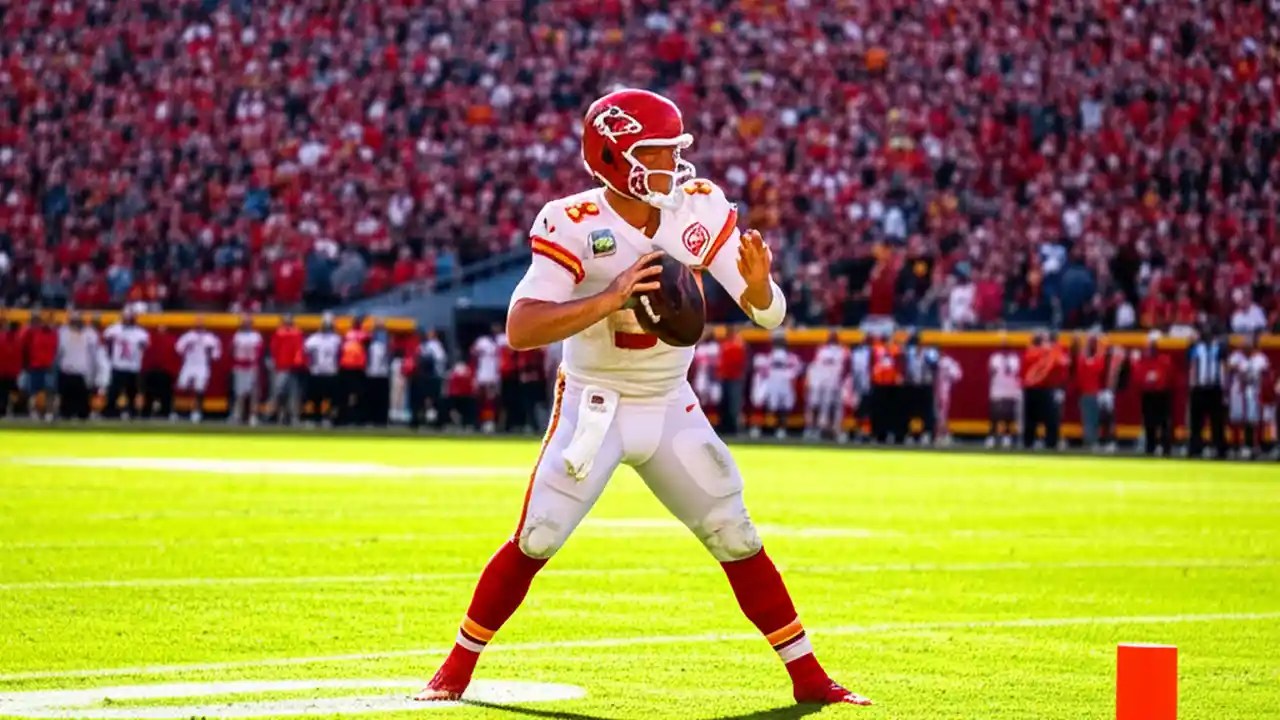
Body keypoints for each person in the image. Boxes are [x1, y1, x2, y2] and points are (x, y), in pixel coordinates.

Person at [416, 89, 871, 707]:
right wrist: (612, 297)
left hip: (668, 400)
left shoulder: (699, 208)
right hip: (594, 403)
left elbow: (769, 315)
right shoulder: (571, 222)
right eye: (656, 154)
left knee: (734, 532)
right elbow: (521, 329)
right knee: (539, 534)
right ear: (612, 158)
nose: (672, 167)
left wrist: (761, 288)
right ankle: (455, 672)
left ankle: (809, 676)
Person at [1187, 329, 1227, 459]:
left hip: (1214, 388)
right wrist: (1192, 385)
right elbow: (1191, 365)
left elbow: (1223, 366)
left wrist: (1223, 386)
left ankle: (1219, 449)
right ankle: (1195, 448)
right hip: (1199, 387)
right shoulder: (1196, 348)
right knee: (1196, 421)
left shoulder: (1219, 348)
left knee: (1217, 421)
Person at [101, 309, 150, 419]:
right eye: (126, 317)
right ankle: (110, 411)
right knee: (113, 391)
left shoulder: (140, 333)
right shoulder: (114, 329)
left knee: (131, 391)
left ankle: (132, 412)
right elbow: (106, 340)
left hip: (132, 366)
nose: (128, 320)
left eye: (130, 317)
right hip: (118, 364)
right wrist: (110, 354)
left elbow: (144, 346)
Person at [1131, 332, 1173, 456]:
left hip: (1161, 394)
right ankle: (1150, 447)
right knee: (1149, 423)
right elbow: (1137, 378)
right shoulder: (1142, 361)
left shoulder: (1164, 359)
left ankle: (1166, 448)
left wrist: (1157, 380)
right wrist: (1147, 381)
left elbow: (1169, 377)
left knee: (1164, 423)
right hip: (1148, 394)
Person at [175, 317, 222, 423]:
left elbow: (216, 355)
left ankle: (197, 412)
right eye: (197, 324)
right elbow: (178, 348)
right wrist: (187, 347)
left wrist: (210, 351)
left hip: (202, 365)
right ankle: (180, 411)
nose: (199, 326)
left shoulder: (210, 338)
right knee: (182, 387)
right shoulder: (188, 336)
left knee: (199, 389)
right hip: (189, 363)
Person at [804, 330, 847, 441]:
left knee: (834, 407)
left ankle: (834, 430)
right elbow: (815, 366)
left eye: (834, 337)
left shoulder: (842, 351)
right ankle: (813, 429)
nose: (832, 339)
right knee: (815, 405)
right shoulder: (822, 350)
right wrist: (812, 382)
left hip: (836, 382)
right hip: (820, 382)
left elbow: (846, 368)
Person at [56, 311, 100, 420]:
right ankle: (65, 416)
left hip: (82, 371)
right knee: (66, 402)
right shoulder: (63, 333)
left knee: (83, 402)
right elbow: (58, 353)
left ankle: (82, 418)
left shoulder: (90, 334)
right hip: (66, 370)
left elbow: (94, 355)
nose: (75, 323)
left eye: (77, 321)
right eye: (73, 321)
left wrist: (94, 372)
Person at [303, 315, 342, 426]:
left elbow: (340, 353)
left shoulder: (336, 339)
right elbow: (306, 351)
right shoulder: (314, 339)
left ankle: (327, 417)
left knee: (329, 397)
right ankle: (314, 417)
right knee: (315, 397)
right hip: (317, 371)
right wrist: (310, 364)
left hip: (330, 371)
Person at [901, 331, 938, 444]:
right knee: (911, 411)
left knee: (926, 412)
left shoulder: (928, 353)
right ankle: (912, 433)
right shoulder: (910, 354)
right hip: (913, 386)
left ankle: (927, 433)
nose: (914, 346)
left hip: (925, 385)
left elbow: (934, 364)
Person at [268, 315, 305, 425]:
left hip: (290, 368)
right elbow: (273, 348)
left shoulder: (296, 333)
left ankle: (291, 416)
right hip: (282, 367)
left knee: (291, 393)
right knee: (281, 393)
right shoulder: (280, 333)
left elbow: (299, 349)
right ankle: (282, 415)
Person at [21, 313, 59, 420]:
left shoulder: (53, 334)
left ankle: (49, 413)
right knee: (33, 392)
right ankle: (33, 413)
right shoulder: (33, 333)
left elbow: (56, 350)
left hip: (49, 367)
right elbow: (26, 348)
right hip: (35, 366)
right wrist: (26, 364)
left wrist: (53, 363)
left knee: (50, 391)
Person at [763, 334, 801, 439]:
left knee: (784, 406)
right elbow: (765, 368)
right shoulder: (771, 355)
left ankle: (781, 428)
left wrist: (789, 375)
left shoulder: (790, 356)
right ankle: (771, 427)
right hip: (773, 381)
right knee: (771, 405)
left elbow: (797, 367)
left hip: (785, 382)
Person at [986, 335, 1021, 448]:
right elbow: (991, 371)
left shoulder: (1014, 359)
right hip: (997, 389)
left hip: (1010, 390)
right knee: (995, 414)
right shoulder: (995, 358)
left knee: (1009, 415)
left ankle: (1007, 436)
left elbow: (1016, 372)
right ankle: (992, 436)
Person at [409, 328, 448, 429]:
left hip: (431, 376)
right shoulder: (429, 345)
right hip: (430, 375)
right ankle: (421, 420)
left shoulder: (434, 345)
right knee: (425, 400)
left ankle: (434, 422)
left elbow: (434, 360)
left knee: (430, 400)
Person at [229, 314, 264, 426]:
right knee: (239, 393)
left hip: (252, 366)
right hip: (240, 366)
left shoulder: (256, 336)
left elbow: (260, 351)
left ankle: (253, 416)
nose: (246, 324)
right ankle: (237, 415)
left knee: (253, 393)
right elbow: (232, 350)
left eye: (248, 322)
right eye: (244, 322)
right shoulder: (237, 336)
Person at [141, 325, 178, 420]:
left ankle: (165, 413)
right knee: (149, 394)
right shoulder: (149, 338)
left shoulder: (172, 339)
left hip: (165, 371)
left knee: (165, 395)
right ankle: (147, 413)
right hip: (152, 370)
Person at [717, 326, 747, 435]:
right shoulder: (725, 344)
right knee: (725, 404)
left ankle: (734, 428)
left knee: (734, 405)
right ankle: (725, 427)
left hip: (735, 378)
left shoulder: (738, 344)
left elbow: (742, 362)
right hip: (726, 378)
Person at [471, 325, 502, 433]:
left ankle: (490, 422)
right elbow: (473, 352)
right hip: (483, 375)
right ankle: (482, 422)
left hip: (494, 375)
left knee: (491, 401)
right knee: (481, 401)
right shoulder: (482, 341)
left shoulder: (502, 340)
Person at [365, 319, 393, 426]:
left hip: (382, 373)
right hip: (373, 373)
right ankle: (372, 418)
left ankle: (381, 420)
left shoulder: (386, 342)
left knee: (382, 399)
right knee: (372, 398)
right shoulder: (371, 342)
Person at [0, 319, 23, 418]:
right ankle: (6, 411)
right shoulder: (18, 339)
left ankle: (8, 411)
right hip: (8, 372)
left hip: (10, 372)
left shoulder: (18, 340)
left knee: (8, 393)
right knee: (6, 394)